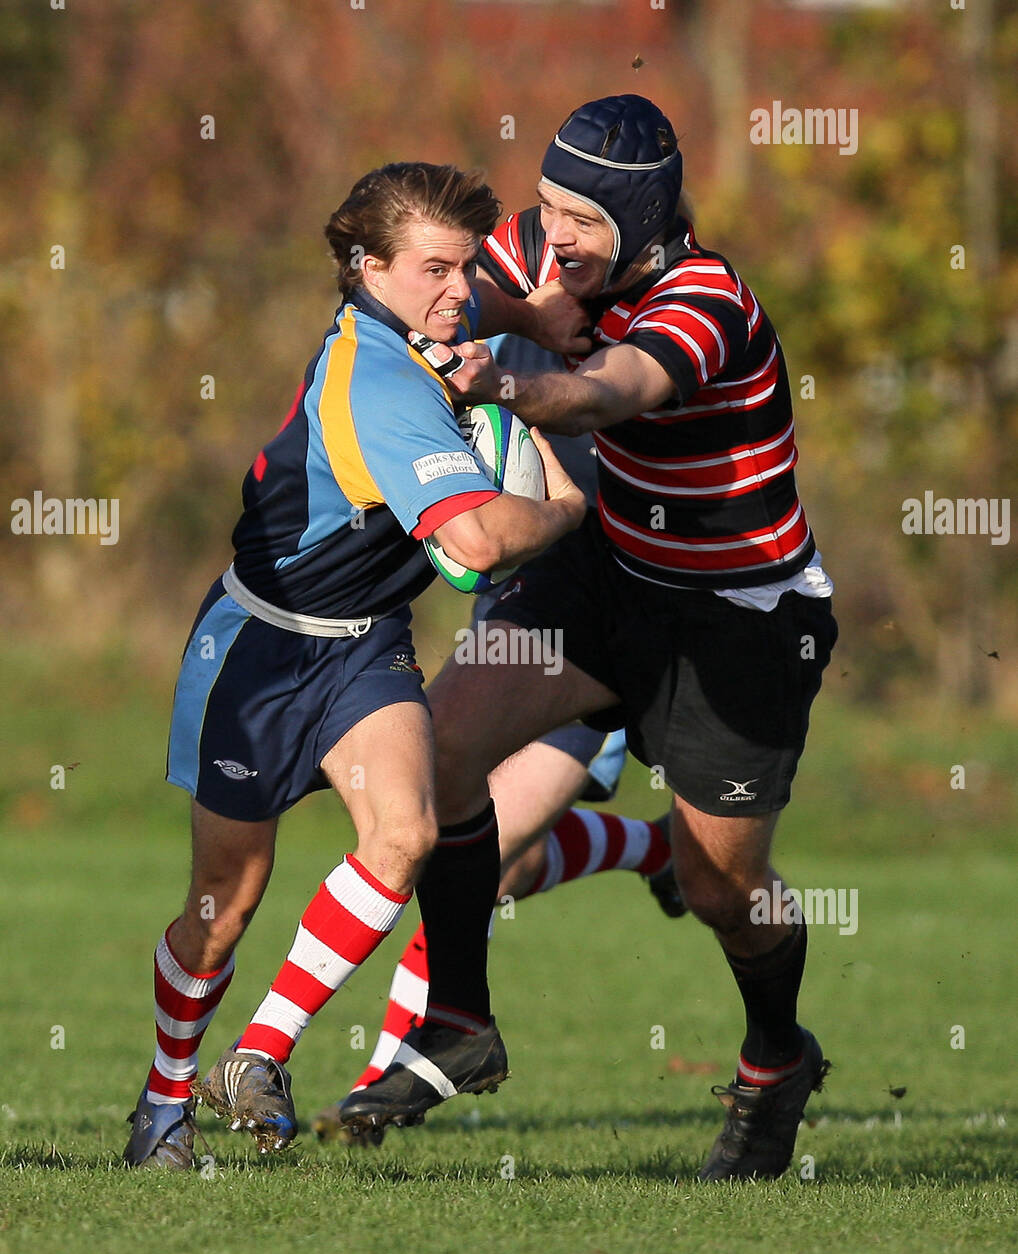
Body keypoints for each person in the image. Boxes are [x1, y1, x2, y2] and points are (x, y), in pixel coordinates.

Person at [328, 96, 838, 1182]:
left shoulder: (708, 301)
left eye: (582, 219)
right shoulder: (542, 252)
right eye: (548, 205)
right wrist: (507, 306)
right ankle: (460, 1020)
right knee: (439, 748)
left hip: (737, 620)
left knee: (722, 892)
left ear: (641, 220)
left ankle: (774, 1059)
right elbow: (454, 281)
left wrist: (508, 376)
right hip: (603, 578)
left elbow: (613, 391)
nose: (552, 232)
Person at [122, 162, 588, 1168]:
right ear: (368, 268)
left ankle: (256, 1054)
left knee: (406, 833)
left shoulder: (423, 316)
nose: (459, 289)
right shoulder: (377, 383)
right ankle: (163, 1100)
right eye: (436, 270)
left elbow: (479, 300)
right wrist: (562, 511)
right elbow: (475, 545)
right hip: (259, 651)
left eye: (466, 267)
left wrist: (533, 320)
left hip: (367, 642)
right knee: (224, 905)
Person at [313, 333, 684, 1145]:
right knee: (494, 861)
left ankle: (380, 1083)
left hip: (593, 642)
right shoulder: (474, 329)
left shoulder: (627, 342)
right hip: (512, 629)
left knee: (467, 854)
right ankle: (657, 851)